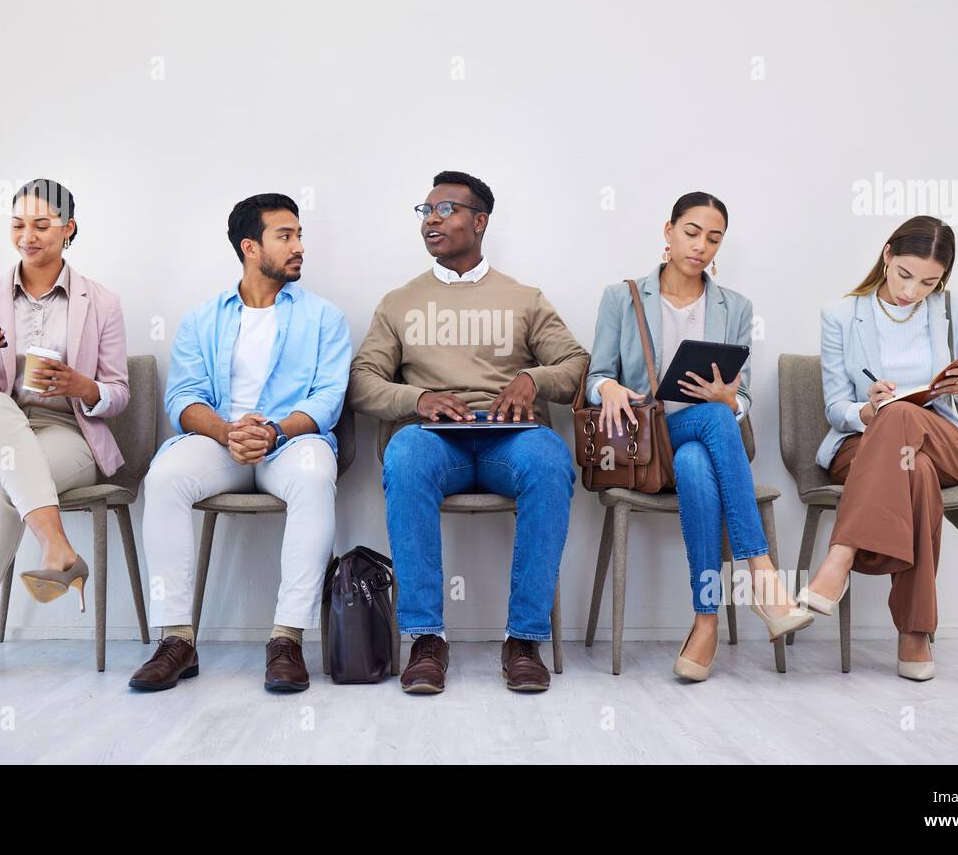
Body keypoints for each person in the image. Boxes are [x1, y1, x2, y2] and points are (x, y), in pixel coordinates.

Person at [348, 170, 588, 694]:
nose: (431, 221)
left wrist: (531, 378)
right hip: (434, 440)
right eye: (425, 212)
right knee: (404, 457)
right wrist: (418, 399)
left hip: (510, 438)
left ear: (480, 222)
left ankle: (523, 640)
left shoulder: (524, 298)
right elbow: (362, 383)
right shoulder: (399, 303)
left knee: (550, 462)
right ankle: (426, 638)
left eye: (445, 210)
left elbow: (575, 364)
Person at [584, 191, 813, 681]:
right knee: (710, 419)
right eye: (691, 233)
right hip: (646, 442)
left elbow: (744, 397)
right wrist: (610, 388)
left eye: (714, 239)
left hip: (699, 449)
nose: (701, 247)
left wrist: (731, 400)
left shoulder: (736, 307)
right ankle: (764, 576)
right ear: (668, 231)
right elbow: (595, 373)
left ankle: (705, 622)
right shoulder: (621, 297)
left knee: (698, 452)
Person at [129, 193, 350, 693]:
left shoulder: (324, 318)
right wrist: (228, 433)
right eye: (285, 236)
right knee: (163, 477)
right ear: (251, 247)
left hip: (291, 442)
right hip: (221, 444)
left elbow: (329, 399)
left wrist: (272, 431)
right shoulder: (202, 319)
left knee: (316, 475)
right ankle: (177, 639)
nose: (299, 247)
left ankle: (287, 639)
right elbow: (183, 399)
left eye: (299, 235)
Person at [0, 178, 129, 669]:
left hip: (63, 433)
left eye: (42, 225)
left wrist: (80, 386)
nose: (28, 235)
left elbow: (118, 394)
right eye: (18, 224)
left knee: (0, 487)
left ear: (69, 229)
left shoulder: (102, 302)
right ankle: (57, 546)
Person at [799, 216, 958, 681]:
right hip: (864, 444)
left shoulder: (951, 310)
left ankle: (839, 557)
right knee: (912, 466)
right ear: (886, 255)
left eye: (928, 281)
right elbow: (837, 405)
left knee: (905, 420)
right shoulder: (841, 315)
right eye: (904, 274)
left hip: (943, 442)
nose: (912, 290)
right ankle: (915, 632)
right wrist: (867, 410)